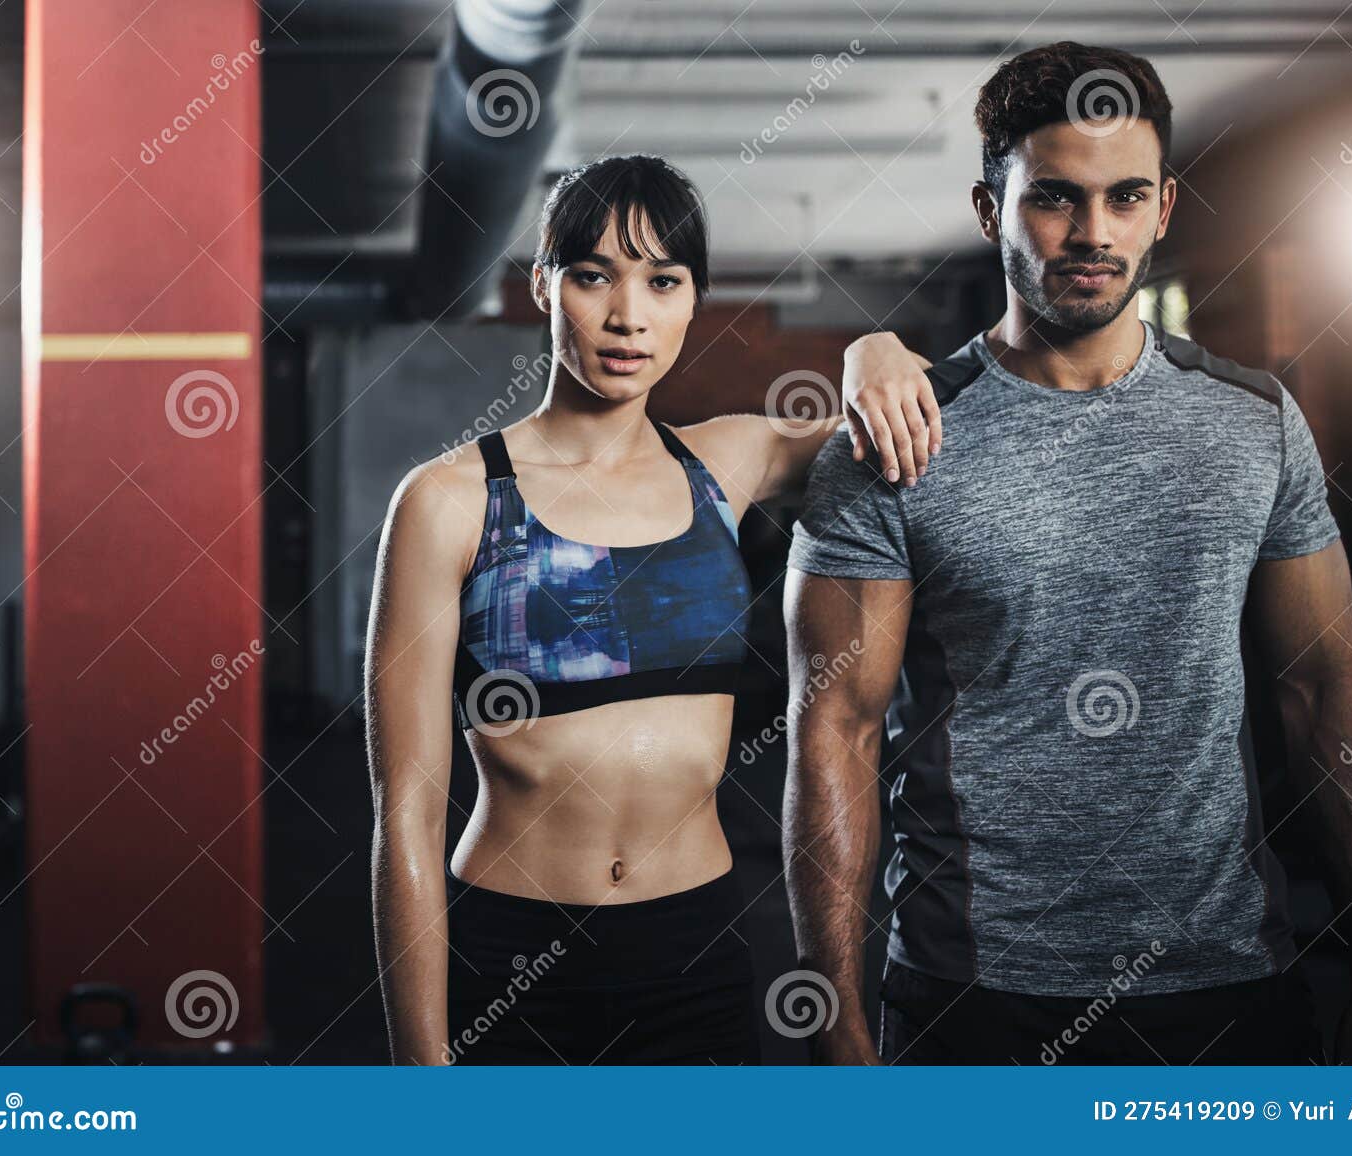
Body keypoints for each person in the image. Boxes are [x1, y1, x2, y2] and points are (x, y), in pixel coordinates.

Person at [783, 41, 1352, 1065]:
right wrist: (835, 1016)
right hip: (972, 995)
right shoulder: (892, 443)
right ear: (990, 208)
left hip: (1229, 984)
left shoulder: (1254, 424)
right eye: (1053, 199)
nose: (1092, 233)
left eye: (1124, 197)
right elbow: (836, 734)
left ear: (1163, 208)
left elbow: (1325, 688)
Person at [365, 154, 937, 1064]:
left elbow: (895, 423)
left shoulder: (728, 464)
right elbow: (407, 807)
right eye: (595, 276)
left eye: (662, 281)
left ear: (693, 301)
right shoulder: (451, 499)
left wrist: (875, 348)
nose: (629, 314)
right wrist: (420, 1069)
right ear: (546, 285)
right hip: (510, 951)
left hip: (696, 947)